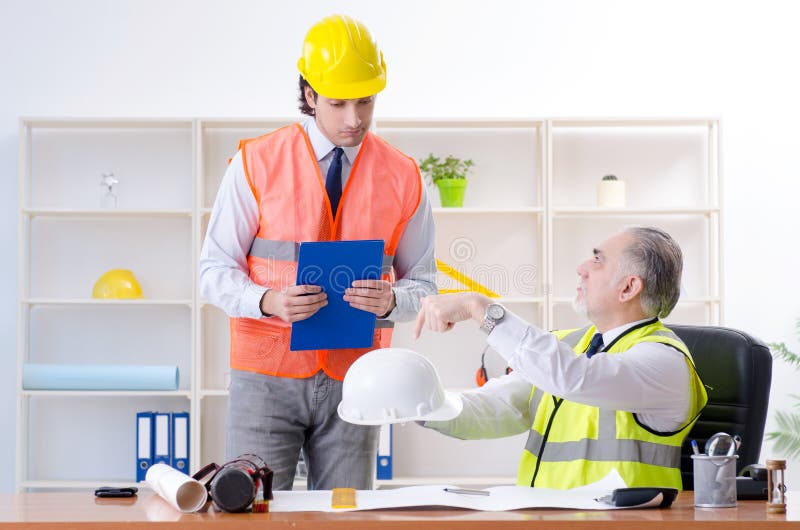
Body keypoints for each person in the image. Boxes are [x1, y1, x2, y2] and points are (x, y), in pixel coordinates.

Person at [199, 14, 436, 491]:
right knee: (252, 516)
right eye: (339, 102)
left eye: (366, 101)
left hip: (358, 379)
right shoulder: (256, 162)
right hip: (265, 378)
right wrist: (267, 300)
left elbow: (424, 285)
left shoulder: (403, 174)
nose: (354, 119)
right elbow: (212, 271)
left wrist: (393, 301)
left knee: (347, 519)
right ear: (309, 95)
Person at [414, 226, 707, 490]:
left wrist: (479, 308)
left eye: (597, 260)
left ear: (628, 287)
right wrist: (414, 401)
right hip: (545, 518)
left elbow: (575, 377)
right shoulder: (567, 346)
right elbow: (492, 408)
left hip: (621, 524)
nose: (581, 268)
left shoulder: (665, 361)